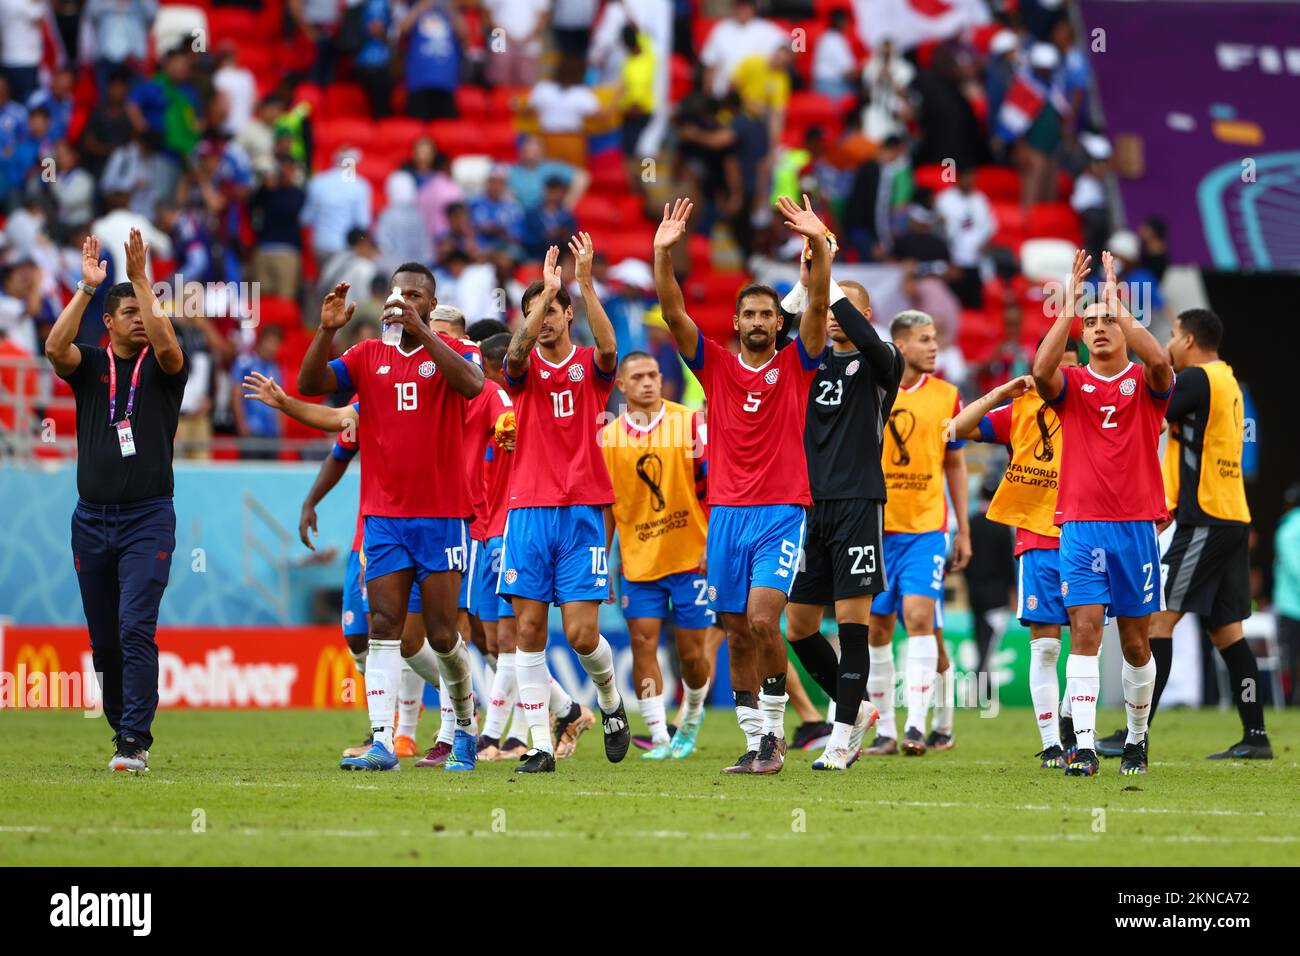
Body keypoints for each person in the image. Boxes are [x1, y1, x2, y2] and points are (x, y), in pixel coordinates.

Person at [654, 195, 830, 775]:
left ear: (779, 322)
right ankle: (755, 741)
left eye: (766, 315)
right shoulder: (714, 367)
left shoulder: (797, 363)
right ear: (736, 322)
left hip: (781, 509)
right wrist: (663, 255)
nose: (757, 322)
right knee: (733, 628)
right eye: (748, 315)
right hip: (725, 513)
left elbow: (822, 303)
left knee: (761, 620)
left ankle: (777, 737)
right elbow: (675, 312)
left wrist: (820, 247)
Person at [296, 269, 486, 773]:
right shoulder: (365, 356)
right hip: (383, 517)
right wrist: (326, 330)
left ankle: (464, 726)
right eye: (396, 294)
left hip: (443, 517)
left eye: (414, 295)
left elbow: (471, 386)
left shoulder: (459, 352)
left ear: (432, 303)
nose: (401, 301)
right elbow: (310, 384)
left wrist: (424, 333)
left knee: (444, 635)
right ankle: (382, 741)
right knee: (384, 626)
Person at [1093, 309, 1272, 759]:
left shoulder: (1194, 380)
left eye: (1172, 336)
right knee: (1227, 632)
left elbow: (1148, 407)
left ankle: (1137, 733)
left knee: (1158, 619)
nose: (1169, 344)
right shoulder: (1228, 379)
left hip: (1206, 519)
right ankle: (1256, 737)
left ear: (1189, 340)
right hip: (1232, 515)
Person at [44, 231, 188, 774]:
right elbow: (55, 349)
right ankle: (120, 725)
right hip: (91, 520)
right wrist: (86, 287)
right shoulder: (89, 367)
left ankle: (134, 740)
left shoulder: (164, 365)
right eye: (127, 311)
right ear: (106, 321)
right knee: (104, 641)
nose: (138, 319)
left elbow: (169, 346)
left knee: (134, 627)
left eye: (142, 311)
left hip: (148, 517)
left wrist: (143, 279)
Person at [1032, 249, 1175, 778]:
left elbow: (1161, 362)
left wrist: (1117, 301)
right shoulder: (1070, 387)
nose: (1098, 329)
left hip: (1137, 525)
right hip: (1081, 525)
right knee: (1085, 629)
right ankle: (1085, 747)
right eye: (1089, 324)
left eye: (1107, 321)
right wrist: (1071, 302)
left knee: (1137, 642)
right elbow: (1041, 369)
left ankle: (1137, 739)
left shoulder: (1145, 384)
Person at [498, 235, 631, 774]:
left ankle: (611, 698)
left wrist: (584, 283)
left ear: (567, 312)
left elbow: (608, 350)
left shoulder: (587, 369)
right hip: (528, 509)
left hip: (581, 511)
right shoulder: (523, 369)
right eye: (534, 313)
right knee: (528, 631)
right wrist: (544, 291)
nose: (544, 320)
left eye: (552, 310)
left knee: (580, 633)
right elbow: (511, 356)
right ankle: (538, 743)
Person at [783, 265, 902, 770]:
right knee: (798, 628)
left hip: (857, 502)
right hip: (807, 504)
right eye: (826, 310)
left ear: (863, 316)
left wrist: (826, 279)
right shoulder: (804, 366)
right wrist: (807, 277)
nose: (831, 318)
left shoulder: (882, 364)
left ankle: (839, 738)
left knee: (853, 625)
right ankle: (857, 712)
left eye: (841, 309)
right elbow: (779, 333)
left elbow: (868, 342)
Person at [947, 337, 1082, 769]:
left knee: (1086, 647)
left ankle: (1076, 730)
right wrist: (999, 393)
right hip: (1038, 539)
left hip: (1088, 536)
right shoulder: (1020, 409)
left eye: (1070, 369)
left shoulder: (1093, 407)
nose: (1061, 378)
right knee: (1045, 650)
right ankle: (1051, 744)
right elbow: (958, 429)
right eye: (1052, 367)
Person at [865, 310, 970, 757]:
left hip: (926, 528)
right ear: (901, 346)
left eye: (935, 338)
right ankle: (885, 730)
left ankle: (915, 725)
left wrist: (963, 527)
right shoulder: (871, 390)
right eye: (925, 339)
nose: (934, 346)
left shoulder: (947, 395)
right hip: (873, 527)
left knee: (921, 619)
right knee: (876, 630)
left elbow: (954, 461)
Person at [600, 351, 713, 760]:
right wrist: (603, 563)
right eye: (638, 377)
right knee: (642, 643)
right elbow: (607, 507)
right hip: (638, 561)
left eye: (653, 375)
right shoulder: (608, 438)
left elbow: (712, 490)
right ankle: (659, 735)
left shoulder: (688, 423)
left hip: (690, 557)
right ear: (621, 386)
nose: (648, 383)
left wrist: (710, 546)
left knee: (692, 654)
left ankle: (693, 714)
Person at [1276, 485, 1300, 705]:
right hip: (1292, 604)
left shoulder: (1288, 528)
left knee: (1290, 656)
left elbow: (1294, 568)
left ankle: (1291, 699)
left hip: (1290, 605)